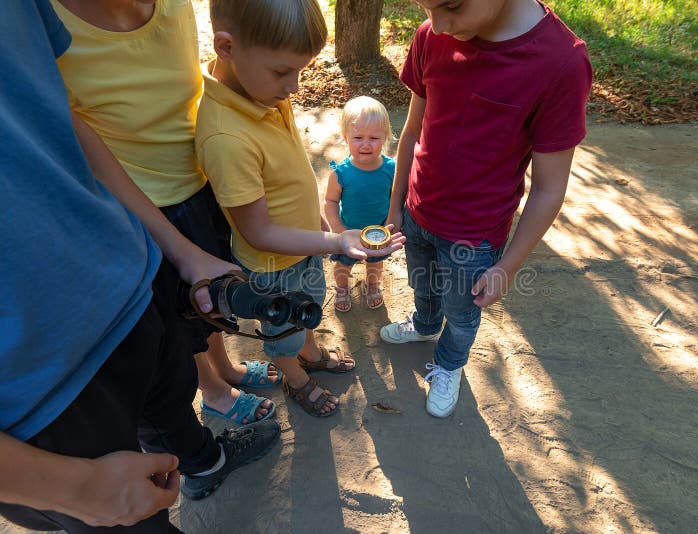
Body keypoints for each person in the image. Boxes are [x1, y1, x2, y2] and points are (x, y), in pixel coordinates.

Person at [0, 1, 280, 531]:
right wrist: (70, 487)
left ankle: (207, 462)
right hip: (37, 387)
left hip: (126, 284)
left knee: (171, 410)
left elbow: (54, 112)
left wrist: (178, 249)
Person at [49, 0, 280, 427]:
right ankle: (212, 390)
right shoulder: (39, 19)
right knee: (181, 320)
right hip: (139, 204)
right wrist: (177, 248)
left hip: (198, 177)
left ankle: (226, 368)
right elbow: (75, 138)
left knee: (211, 298)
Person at [381, 0, 593, 417]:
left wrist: (507, 266)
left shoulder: (560, 63)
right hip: (417, 213)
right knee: (422, 286)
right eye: (425, 8)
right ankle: (424, 324)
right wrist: (396, 206)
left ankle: (448, 364)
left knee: (461, 314)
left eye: (451, 7)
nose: (437, 25)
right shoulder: (432, 35)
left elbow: (549, 189)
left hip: (474, 240)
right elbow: (411, 132)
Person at [196, 0, 404, 418]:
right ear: (227, 47)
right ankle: (297, 378)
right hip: (272, 264)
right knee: (282, 329)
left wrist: (320, 240)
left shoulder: (264, 94)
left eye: (300, 71)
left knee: (306, 308)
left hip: (304, 247)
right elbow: (258, 232)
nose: (294, 86)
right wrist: (336, 238)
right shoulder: (225, 136)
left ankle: (308, 353)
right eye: (282, 71)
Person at [324, 96, 396, 312]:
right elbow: (330, 201)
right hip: (349, 230)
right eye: (358, 137)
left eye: (374, 137)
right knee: (343, 264)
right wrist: (339, 229)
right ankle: (342, 288)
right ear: (346, 137)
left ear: (385, 137)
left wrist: (393, 221)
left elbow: (396, 197)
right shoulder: (341, 172)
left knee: (375, 263)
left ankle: (372, 285)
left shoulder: (392, 169)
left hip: (378, 233)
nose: (366, 144)